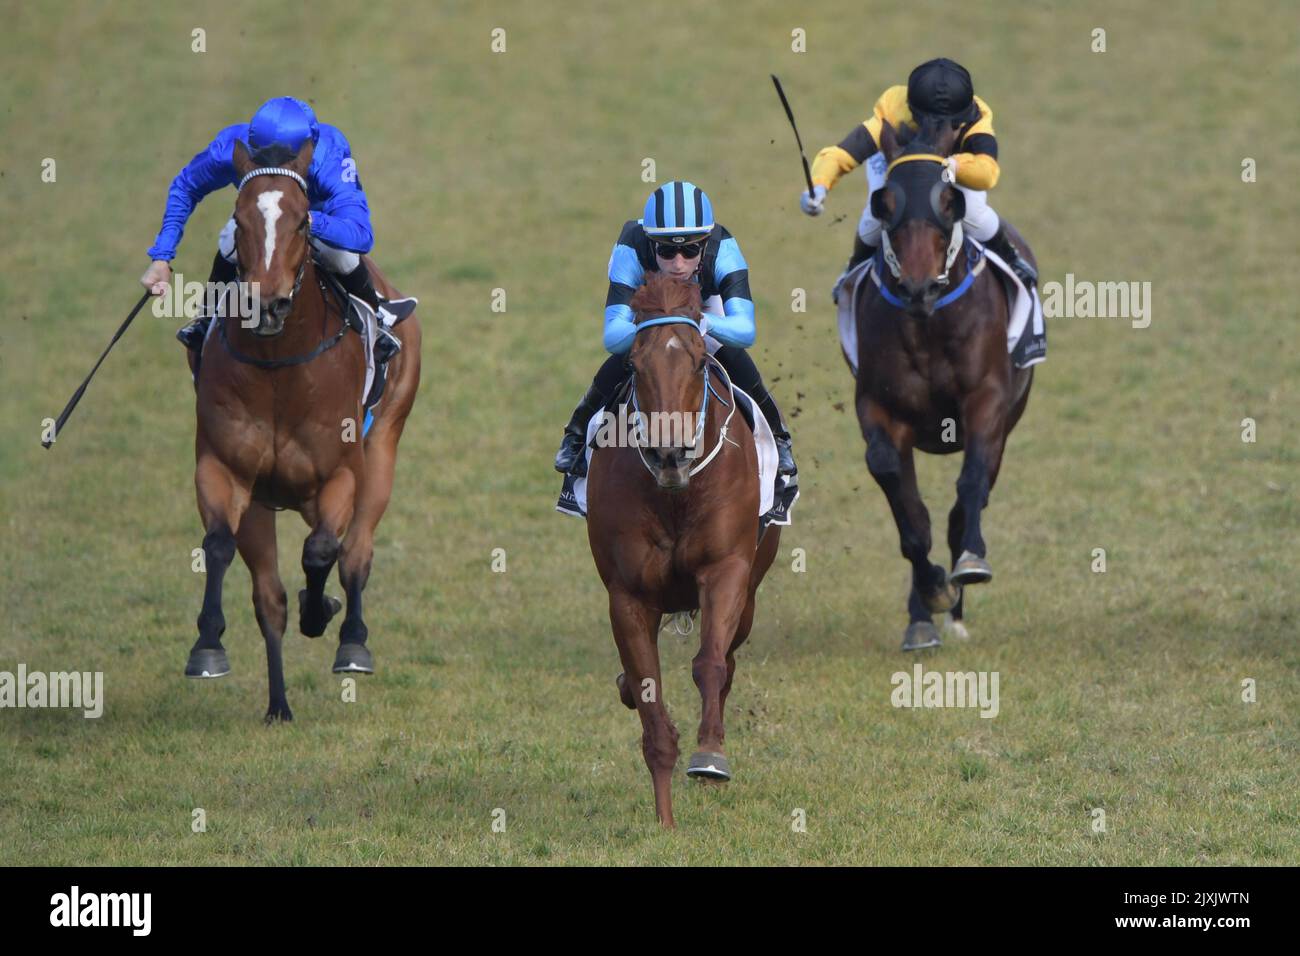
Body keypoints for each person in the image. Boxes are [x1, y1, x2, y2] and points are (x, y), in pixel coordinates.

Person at [139, 96, 406, 377]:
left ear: (308, 152)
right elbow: (186, 186)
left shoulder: (329, 156)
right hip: (262, 216)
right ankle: (206, 321)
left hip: (312, 216)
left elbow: (361, 234)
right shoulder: (230, 147)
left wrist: (306, 221)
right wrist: (162, 256)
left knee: (342, 257)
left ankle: (378, 322)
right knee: (230, 243)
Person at [554, 181, 796, 478]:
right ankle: (576, 435)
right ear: (651, 244)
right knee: (637, 354)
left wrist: (699, 324)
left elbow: (745, 330)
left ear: (705, 243)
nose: (678, 265)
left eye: (690, 250)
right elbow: (613, 335)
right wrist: (652, 332)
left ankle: (779, 435)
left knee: (725, 350)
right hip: (651, 307)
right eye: (666, 252)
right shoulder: (631, 247)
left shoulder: (724, 250)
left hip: (704, 304)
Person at [799, 58, 1038, 301]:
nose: (953, 130)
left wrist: (950, 165)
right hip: (897, 164)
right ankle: (853, 269)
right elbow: (842, 154)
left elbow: (988, 173)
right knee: (872, 221)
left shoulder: (976, 120)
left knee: (974, 211)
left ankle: (1010, 257)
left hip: (952, 168)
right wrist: (819, 184)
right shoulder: (892, 111)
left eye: (955, 124)